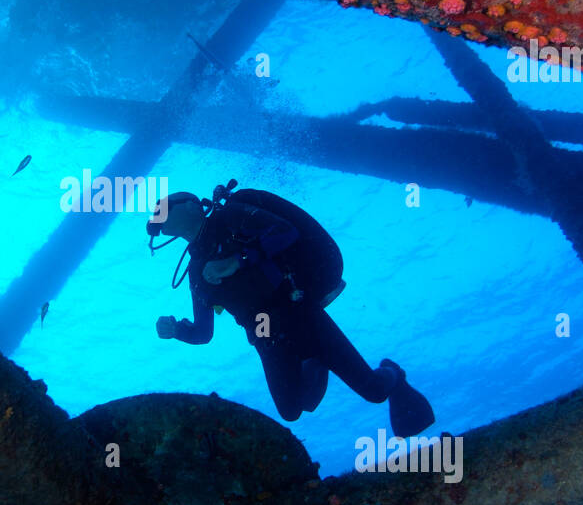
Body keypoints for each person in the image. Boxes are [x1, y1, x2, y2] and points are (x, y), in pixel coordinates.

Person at [148, 186, 434, 435]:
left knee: (373, 391)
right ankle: (316, 360)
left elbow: (286, 231)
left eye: (161, 210)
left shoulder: (230, 217)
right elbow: (203, 332)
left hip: (300, 312)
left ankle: (392, 373)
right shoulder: (196, 271)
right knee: (293, 410)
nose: (157, 219)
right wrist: (177, 330)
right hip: (266, 338)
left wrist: (238, 260)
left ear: (190, 205)